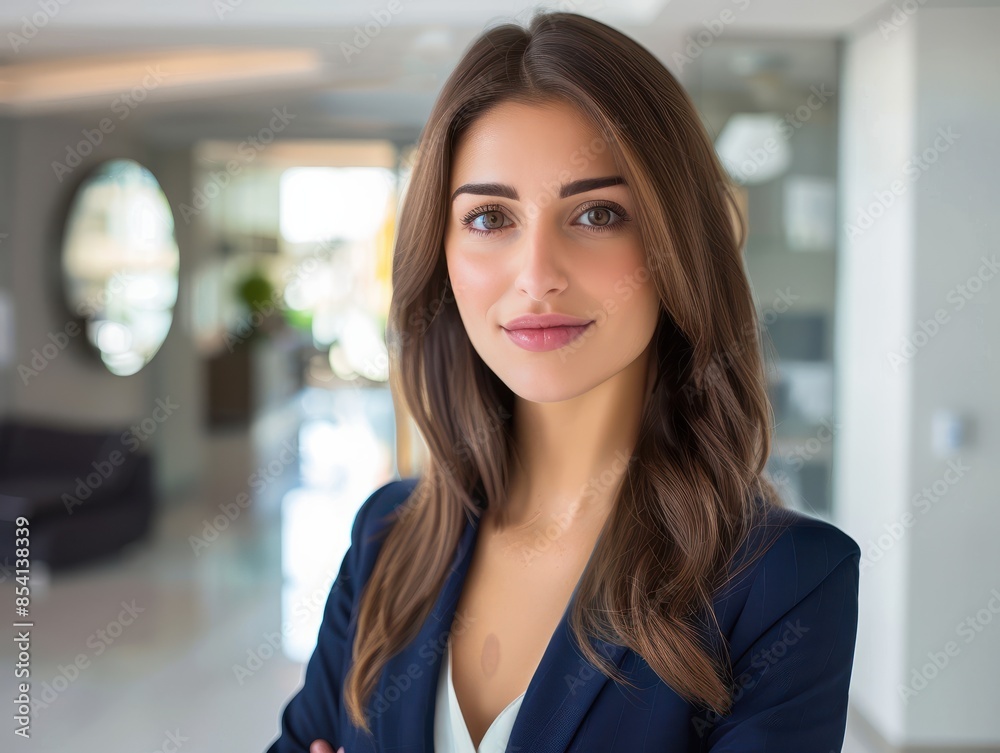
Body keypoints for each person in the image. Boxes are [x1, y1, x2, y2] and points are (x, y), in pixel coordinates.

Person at [266, 9, 860, 753]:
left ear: (675, 244)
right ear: (442, 255)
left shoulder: (784, 583)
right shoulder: (387, 537)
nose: (537, 274)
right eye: (489, 217)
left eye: (597, 213)